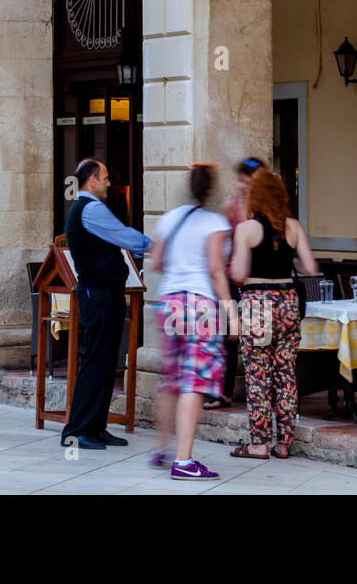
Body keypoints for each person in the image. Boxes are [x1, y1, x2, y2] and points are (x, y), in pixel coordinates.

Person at [60, 158, 152, 451]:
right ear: (92, 181)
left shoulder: (86, 209)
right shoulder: (91, 210)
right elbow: (126, 237)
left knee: (103, 363)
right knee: (95, 363)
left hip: (104, 294)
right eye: (106, 177)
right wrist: (156, 245)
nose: (110, 183)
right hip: (97, 295)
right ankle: (76, 431)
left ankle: (96, 428)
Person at [148, 164, 233, 480]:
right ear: (211, 190)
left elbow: (155, 261)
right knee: (193, 381)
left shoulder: (170, 218)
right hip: (199, 305)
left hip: (169, 301)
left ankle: (160, 448)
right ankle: (183, 461)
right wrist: (231, 312)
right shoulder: (215, 222)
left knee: (170, 378)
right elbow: (215, 269)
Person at [230, 168, 319, 460]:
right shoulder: (293, 226)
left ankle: (258, 443)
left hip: (258, 302)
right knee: (285, 374)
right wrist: (285, 256)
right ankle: (284, 443)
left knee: (258, 376)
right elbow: (310, 267)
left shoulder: (247, 229)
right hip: (288, 302)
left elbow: (240, 273)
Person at [204, 156, 266, 411]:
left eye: (246, 180)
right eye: (239, 181)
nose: (241, 186)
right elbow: (222, 241)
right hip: (232, 277)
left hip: (258, 280)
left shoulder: (267, 207)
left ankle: (261, 395)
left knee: (260, 336)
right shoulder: (232, 205)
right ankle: (223, 393)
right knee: (227, 336)